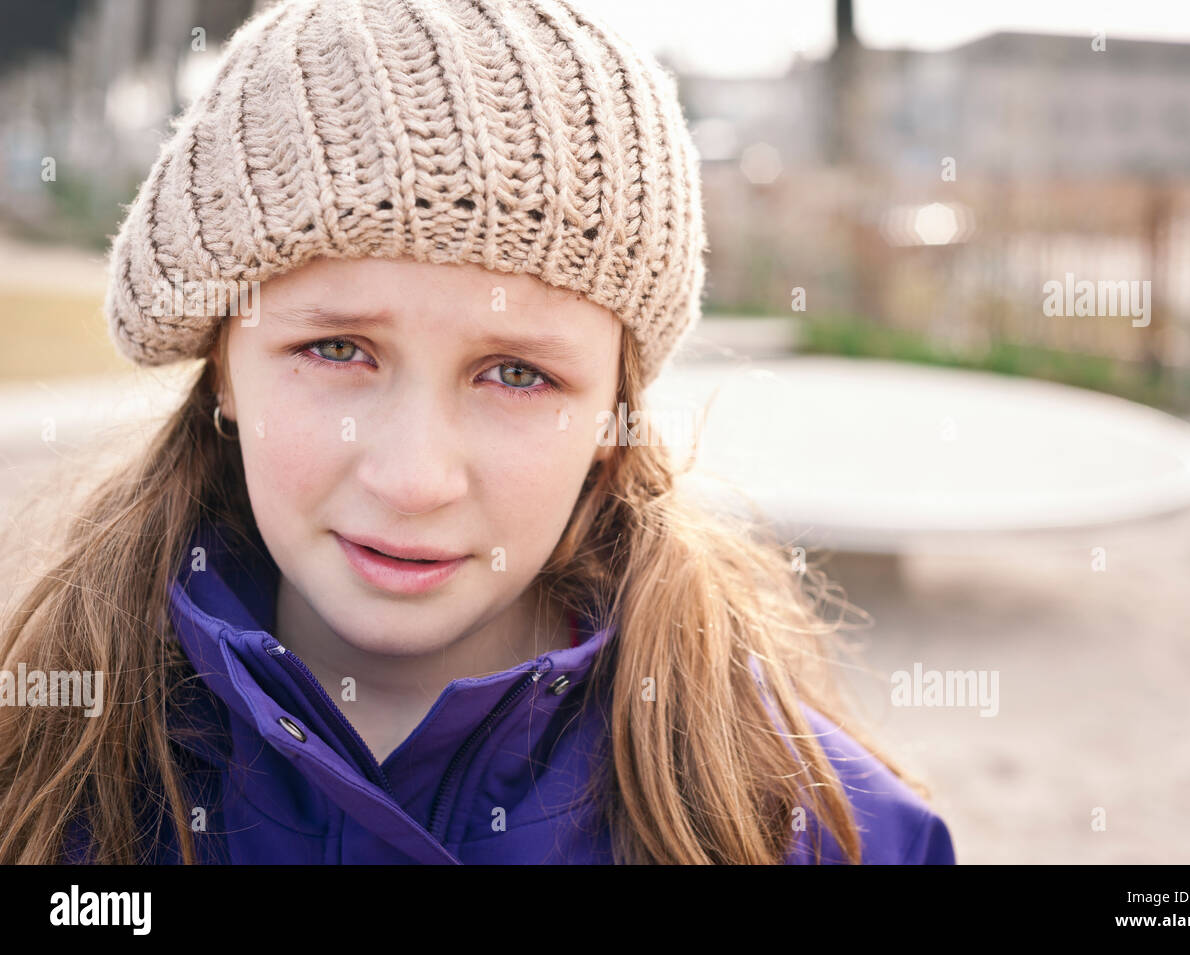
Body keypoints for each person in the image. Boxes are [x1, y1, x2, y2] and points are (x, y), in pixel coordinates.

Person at [0, 0, 955, 865]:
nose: (415, 479)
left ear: (613, 419)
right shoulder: (39, 777)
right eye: (337, 348)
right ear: (223, 368)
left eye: (517, 373)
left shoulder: (825, 833)